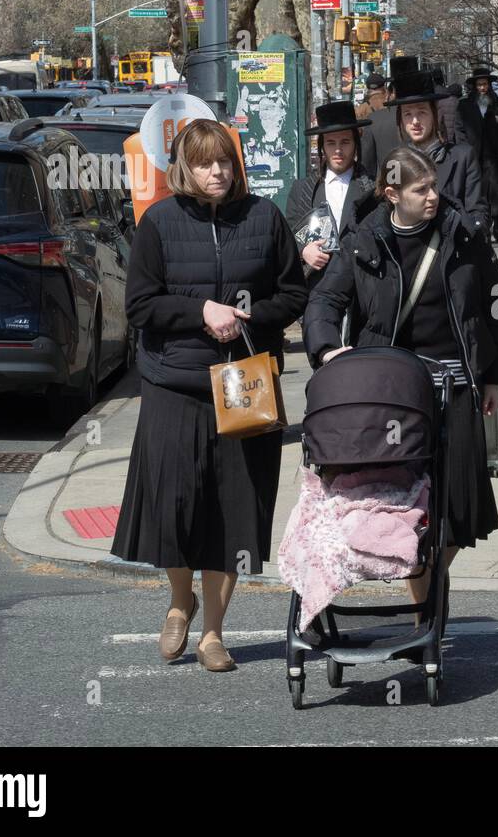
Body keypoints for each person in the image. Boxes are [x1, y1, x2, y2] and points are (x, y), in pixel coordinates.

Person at [111, 119, 308, 673]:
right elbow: (141, 306)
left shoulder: (264, 218)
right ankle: (181, 601)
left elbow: (294, 291)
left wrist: (249, 318)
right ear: (183, 169)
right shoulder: (159, 223)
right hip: (176, 384)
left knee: (234, 512)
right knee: (176, 507)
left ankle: (214, 633)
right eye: (203, 162)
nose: (216, 171)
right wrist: (201, 312)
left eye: (223, 160)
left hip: (245, 387)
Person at [303, 146, 498, 608]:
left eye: (435, 186)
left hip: (454, 385)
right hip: (389, 394)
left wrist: (497, 375)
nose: (434, 196)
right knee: (402, 502)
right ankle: (426, 607)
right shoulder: (364, 240)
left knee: (459, 508)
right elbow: (323, 302)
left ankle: (427, 580)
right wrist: (326, 349)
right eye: (421, 190)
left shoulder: (462, 235)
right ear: (391, 193)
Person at [387, 67, 489, 235]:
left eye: (421, 112)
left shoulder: (462, 156)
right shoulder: (394, 163)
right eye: (407, 114)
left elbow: (478, 212)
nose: (415, 121)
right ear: (400, 120)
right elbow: (389, 209)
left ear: (434, 114)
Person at [286, 99, 375, 290]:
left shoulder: (372, 188)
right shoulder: (303, 189)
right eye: (330, 142)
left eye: (345, 142)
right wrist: (304, 251)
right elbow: (289, 235)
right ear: (321, 147)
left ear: (355, 144)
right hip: (318, 285)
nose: (337, 150)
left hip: (361, 287)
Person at [456, 66, 498, 241]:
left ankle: (497, 225)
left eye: (485, 84)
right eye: (479, 85)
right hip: (474, 154)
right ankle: (482, 224)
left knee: (496, 190)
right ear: (474, 86)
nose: (482, 88)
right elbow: (459, 129)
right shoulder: (465, 105)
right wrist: (464, 149)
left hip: (494, 154)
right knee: (479, 190)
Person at [359, 55, 418, 179]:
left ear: (391, 92)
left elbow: (367, 163)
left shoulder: (375, 120)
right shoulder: (430, 118)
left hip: (389, 184)